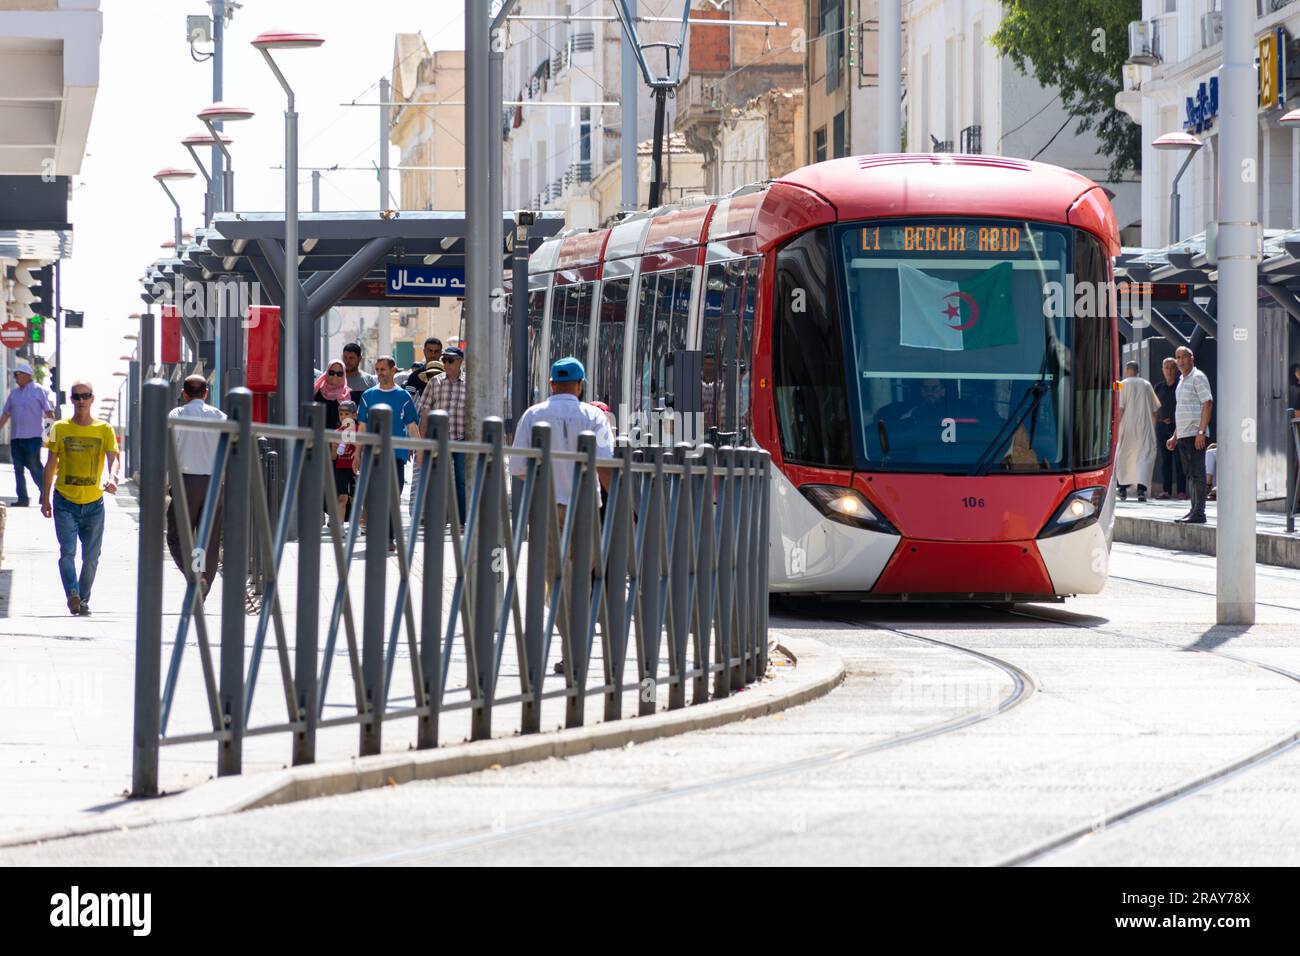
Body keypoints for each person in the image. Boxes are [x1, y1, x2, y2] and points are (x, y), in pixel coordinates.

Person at [509, 358, 614, 675]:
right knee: (582, 577)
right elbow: (605, 463)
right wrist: (621, 505)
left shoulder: (533, 415)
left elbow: (517, 467)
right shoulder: (594, 415)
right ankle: (575, 650)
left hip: (545, 507)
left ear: (551, 384)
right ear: (581, 386)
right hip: (585, 505)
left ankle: (571, 648)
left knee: (555, 581)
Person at [40, 380, 119, 615]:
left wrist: (113, 477)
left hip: (94, 503)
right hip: (64, 501)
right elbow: (51, 463)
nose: (81, 400)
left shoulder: (104, 429)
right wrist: (45, 498)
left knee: (92, 557)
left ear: (93, 398)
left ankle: (83, 599)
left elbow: (114, 458)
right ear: (71, 400)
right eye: (77, 397)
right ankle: (72, 594)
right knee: (67, 552)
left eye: (86, 396)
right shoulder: (60, 428)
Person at [165, 375, 227, 598]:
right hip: (213, 483)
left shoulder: (176, 415)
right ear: (206, 393)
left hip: (185, 483)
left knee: (176, 536)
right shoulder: (220, 417)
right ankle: (202, 582)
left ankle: (193, 576)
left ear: (183, 393)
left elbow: (171, 446)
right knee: (208, 540)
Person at [353, 356, 419, 551]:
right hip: (372, 457)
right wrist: (357, 453)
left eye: (383, 369)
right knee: (374, 496)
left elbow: (412, 426)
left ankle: (389, 537)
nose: (380, 373)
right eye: (377, 369)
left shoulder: (403, 397)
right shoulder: (368, 396)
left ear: (393, 370)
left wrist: (420, 450)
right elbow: (362, 427)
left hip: (396, 456)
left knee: (393, 496)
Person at [418, 345, 467, 521]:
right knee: (438, 480)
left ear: (460, 362)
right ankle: (438, 517)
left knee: (461, 481)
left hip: (462, 440)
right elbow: (424, 413)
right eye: (444, 360)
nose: (446, 363)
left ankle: (462, 519)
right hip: (438, 441)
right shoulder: (434, 382)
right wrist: (422, 444)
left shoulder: (470, 383)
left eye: (450, 360)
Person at [1165, 346, 1213, 524]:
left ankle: (1199, 513)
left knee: (1198, 474)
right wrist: (1175, 436)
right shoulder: (1181, 380)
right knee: (1190, 474)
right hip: (1184, 435)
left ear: (1192, 358)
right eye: (1178, 357)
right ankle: (1193, 510)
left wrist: (1201, 432)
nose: (1180, 361)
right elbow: (1182, 410)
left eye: (1184, 357)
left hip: (1195, 433)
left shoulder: (1197, 377)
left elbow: (1207, 403)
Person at [0, 361, 55, 507]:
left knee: (34, 465)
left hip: (33, 437)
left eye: (17, 374)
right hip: (16, 438)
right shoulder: (14, 394)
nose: (15, 377)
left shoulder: (39, 390)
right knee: (18, 468)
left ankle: (45, 492)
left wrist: (49, 436)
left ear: (26, 375)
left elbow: (49, 412)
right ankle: (22, 498)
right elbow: (6, 414)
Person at [1114, 361, 1160, 502]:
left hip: (1127, 427)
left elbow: (1120, 408)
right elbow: (1155, 408)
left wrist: (1115, 427)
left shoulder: (1122, 384)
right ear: (1138, 371)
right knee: (1143, 457)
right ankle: (1141, 490)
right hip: (1144, 427)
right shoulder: (1146, 384)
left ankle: (1122, 489)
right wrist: (1153, 427)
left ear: (1127, 370)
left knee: (1124, 456)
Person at [1153, 357, 1186, 500]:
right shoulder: (1158, 387)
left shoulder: (1181, 385)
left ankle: (1181, 491)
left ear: (1177, 369)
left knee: (1179, 460)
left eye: (1172, 367)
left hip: (1177, 426)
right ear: (1162, 370)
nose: (1169, 371)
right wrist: (1155, 425)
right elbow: (1154, 408)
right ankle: (1166, 490)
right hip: (1162, 426)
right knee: (1165, 460)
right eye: (1166, 368)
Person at [330, 400, 358, 526]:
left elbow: (362, 448)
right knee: (341, 498)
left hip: (354, 468)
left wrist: (351, 440)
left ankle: (358, 525)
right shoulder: (337, 432)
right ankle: (339, 526)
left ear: (354, 415)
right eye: (341, 414)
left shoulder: (359, 430)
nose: (343, 417)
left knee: (355, 499)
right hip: (340, 468)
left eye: (346, 414)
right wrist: (334, 447)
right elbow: (333, 457)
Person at [313, 359, 350, 430]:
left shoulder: (347, 395)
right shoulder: (316, 391)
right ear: (327, 373)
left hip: (338, 439)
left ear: (344, 375)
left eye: (339, 374)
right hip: (318, 436)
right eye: (332, 372)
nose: (335, 376)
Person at [404, 337, 442, 402]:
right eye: (430, 351)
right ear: (424, 351)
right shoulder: (414, 376)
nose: (433, 355)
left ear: (441, 353)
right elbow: (409, 401)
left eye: (436, 351)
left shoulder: (447, 374)